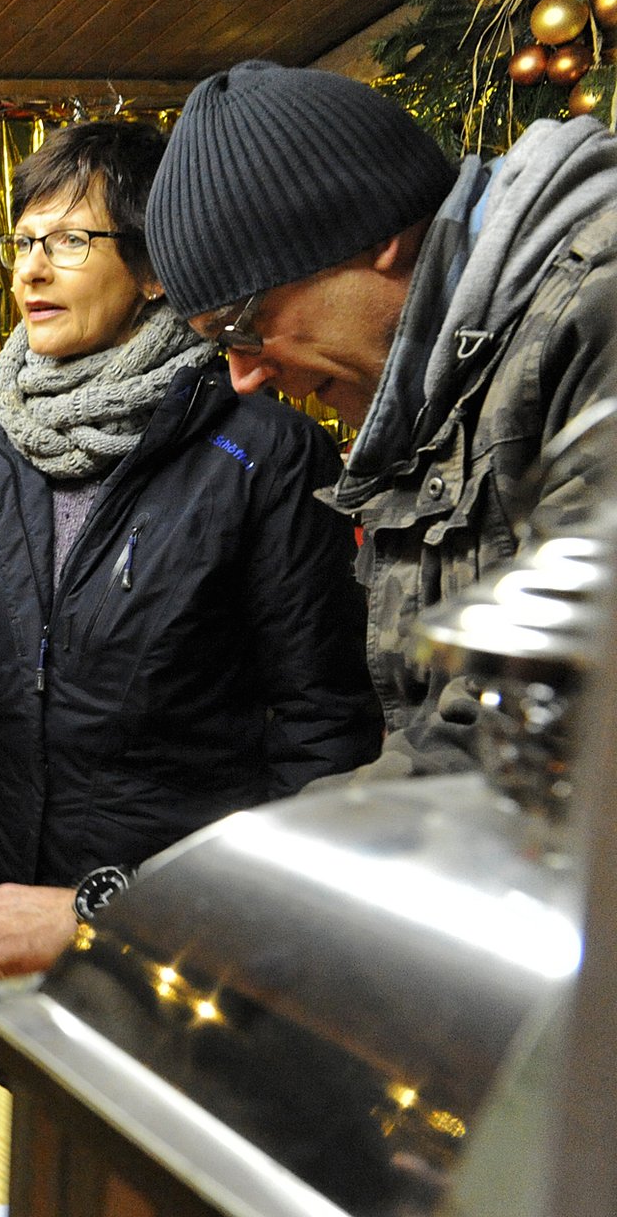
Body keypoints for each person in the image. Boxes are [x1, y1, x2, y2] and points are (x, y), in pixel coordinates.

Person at [0, 120, 379, 996]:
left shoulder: (261, 451)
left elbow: (322, 730)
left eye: (69, 241)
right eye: (23, 242)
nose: (32, 268)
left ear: (150, 272)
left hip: (170, 924)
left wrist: (231, 933)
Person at [145, 60, 617, 780]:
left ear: (372, 235)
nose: (243, 375)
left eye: (244, 325)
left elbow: (555, 721)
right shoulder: (438, 380)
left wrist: (219, 884)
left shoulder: (596, 316)